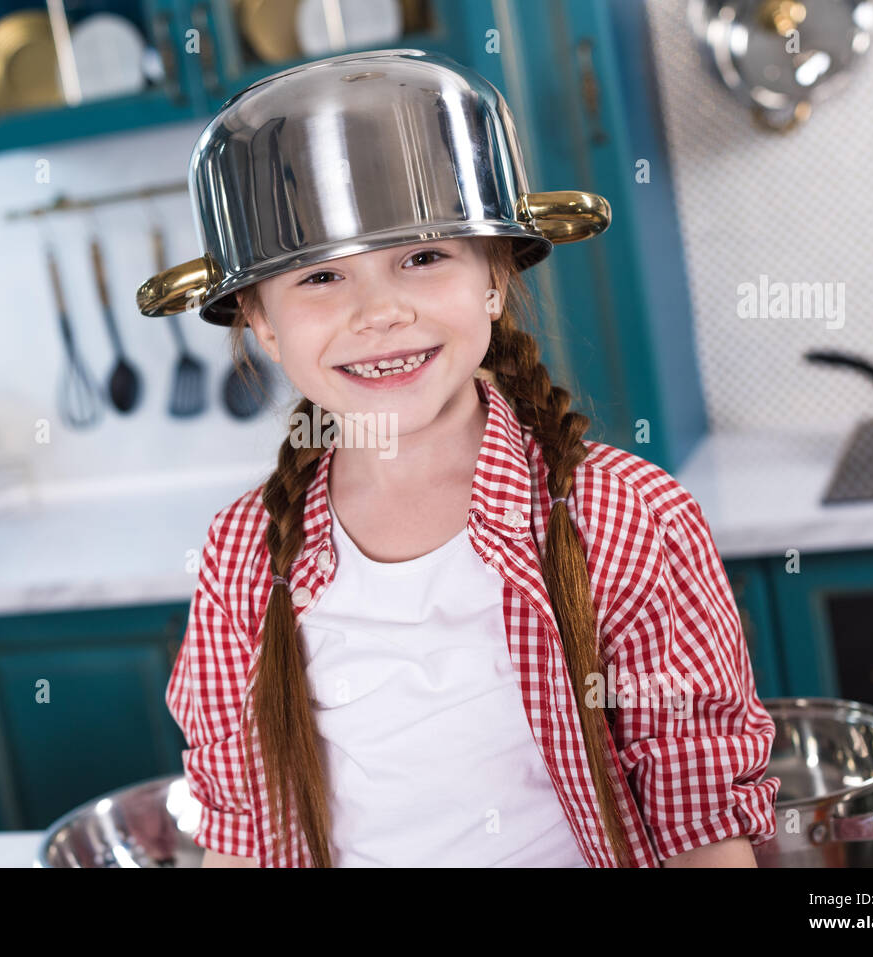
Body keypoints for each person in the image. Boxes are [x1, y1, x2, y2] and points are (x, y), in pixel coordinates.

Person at [142, 50, 779, 868]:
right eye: (322, 277)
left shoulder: (625, 517)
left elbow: (700, 825)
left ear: (496, 276)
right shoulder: (239, 558)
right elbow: (243, 832)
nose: (379, 312)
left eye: (423, 257)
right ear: (261, 322)